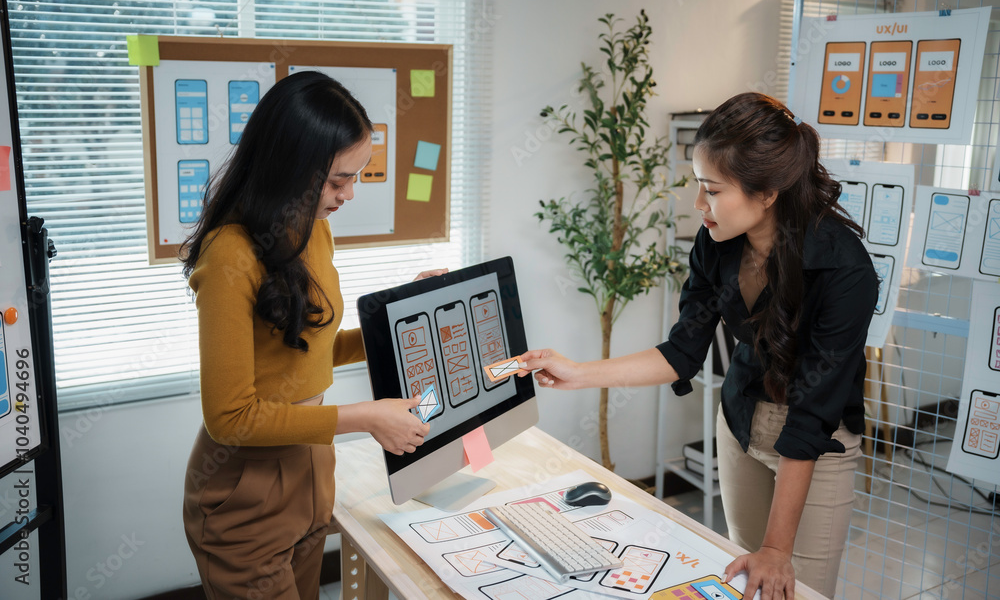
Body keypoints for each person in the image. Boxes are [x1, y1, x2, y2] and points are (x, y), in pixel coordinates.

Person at [519, 92, 877, 600]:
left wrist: (777, 549)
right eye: (697, 187)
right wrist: (577, 372)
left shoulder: (842, 267)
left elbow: (812, 413)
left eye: (711, 189)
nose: (698, 205)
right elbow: (682, 351)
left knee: (794, 590)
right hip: (739, 424)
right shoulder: (717, 242)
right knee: (740, 585)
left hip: (815, 445)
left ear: (768, 192)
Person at [180, 71, 433, 599]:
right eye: (337, 179)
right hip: (246, 488)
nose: (349, 194)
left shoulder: (312, 226)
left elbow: (312, 346)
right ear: (288, 164)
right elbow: (231, 418)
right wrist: (365, 417)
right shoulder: (229, 254)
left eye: (357, 176)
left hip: (312, 469)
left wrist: (401, 313)